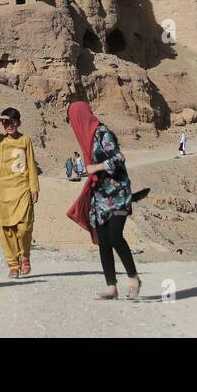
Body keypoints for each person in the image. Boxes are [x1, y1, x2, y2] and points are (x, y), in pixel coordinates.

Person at [66, 101, 140, 300]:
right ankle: (111, 287)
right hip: (98, 197)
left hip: (117, 194)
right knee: (104, 241)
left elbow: (118, 158)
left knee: (115, 236)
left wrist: (95, 168)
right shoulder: (86, 139)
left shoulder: (101, 132)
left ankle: (133, 277)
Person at [0, 108, 39, 278]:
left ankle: (24, 255)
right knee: (7, 229)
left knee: (24, 227)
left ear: (19, 122)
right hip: (3, 192)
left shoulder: (25, 140)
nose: (9, 125)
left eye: (12, 122)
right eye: (6, 122)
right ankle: (13, 264)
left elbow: (31, 164)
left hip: (22, 189)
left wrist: (34, 187)